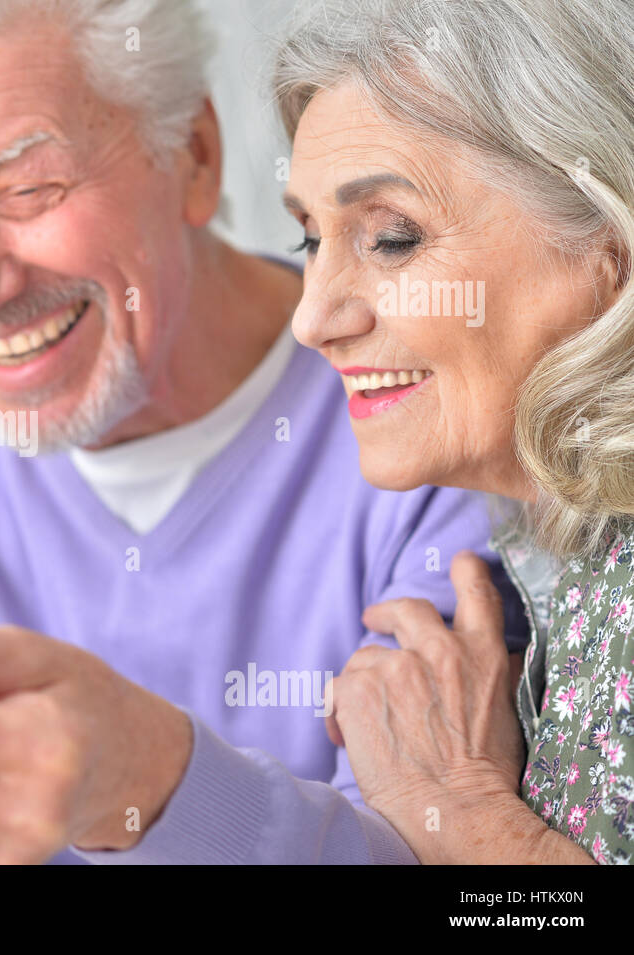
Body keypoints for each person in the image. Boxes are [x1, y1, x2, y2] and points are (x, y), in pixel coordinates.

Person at [0, 0, 528, 866]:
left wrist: (151, 782)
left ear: (193, 153)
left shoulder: (424, 426)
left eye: (29, 191)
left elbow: (432, 866)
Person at [272, 0, 634, 865]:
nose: (312, 318)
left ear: (609, 241)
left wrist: (463, 814)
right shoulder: (556, 536)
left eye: (392, 239)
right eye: (309, 240)